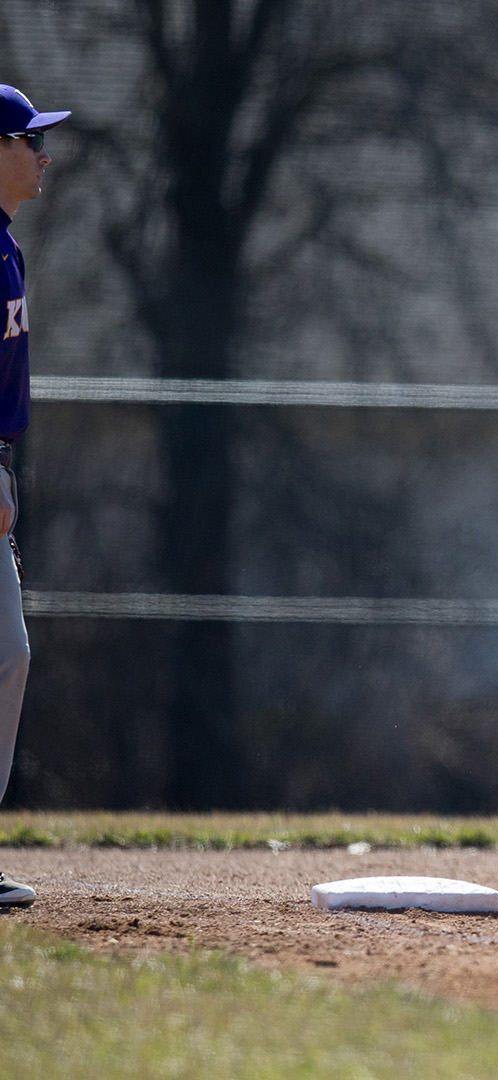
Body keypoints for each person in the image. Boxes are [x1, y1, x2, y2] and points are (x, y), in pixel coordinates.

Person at [0, 85, 68, 911]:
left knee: (9, 654)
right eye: (27, 140)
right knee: (6, 651)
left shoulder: (6, 246)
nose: (42, 154)